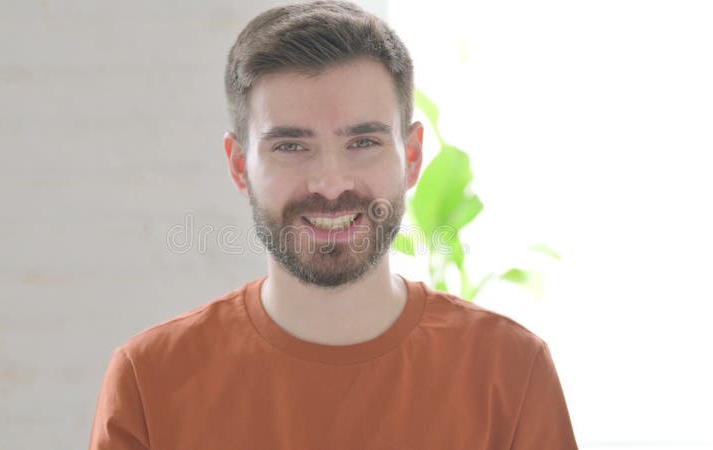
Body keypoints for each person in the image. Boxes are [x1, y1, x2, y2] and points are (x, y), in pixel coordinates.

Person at [88, 1, 578, 448]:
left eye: (362, 143)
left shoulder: (511, 371)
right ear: (239, 166)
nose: (329, 184)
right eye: (291, 146)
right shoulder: (148, 381)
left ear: (411, 157)